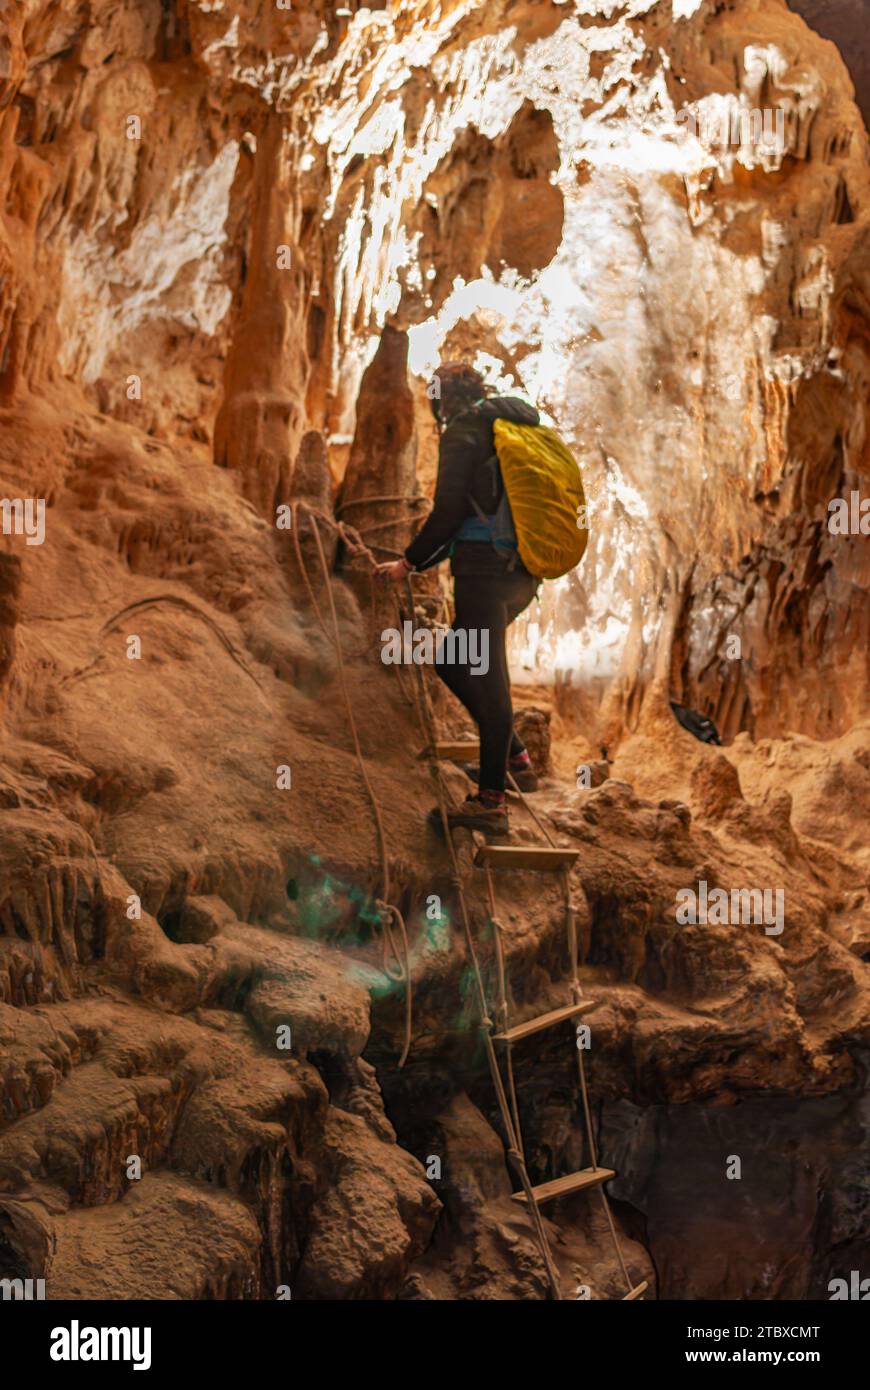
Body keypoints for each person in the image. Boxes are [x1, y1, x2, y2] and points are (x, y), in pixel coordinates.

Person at [381, 362, 540, 836]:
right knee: (455, 660)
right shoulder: (504, 425)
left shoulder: (463, 433)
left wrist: (407, 563)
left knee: (488, 682)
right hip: (519, 574)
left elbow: (448, 514)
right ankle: (517, 760)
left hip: (485, 572)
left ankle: (491, 801)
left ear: (440, 397)